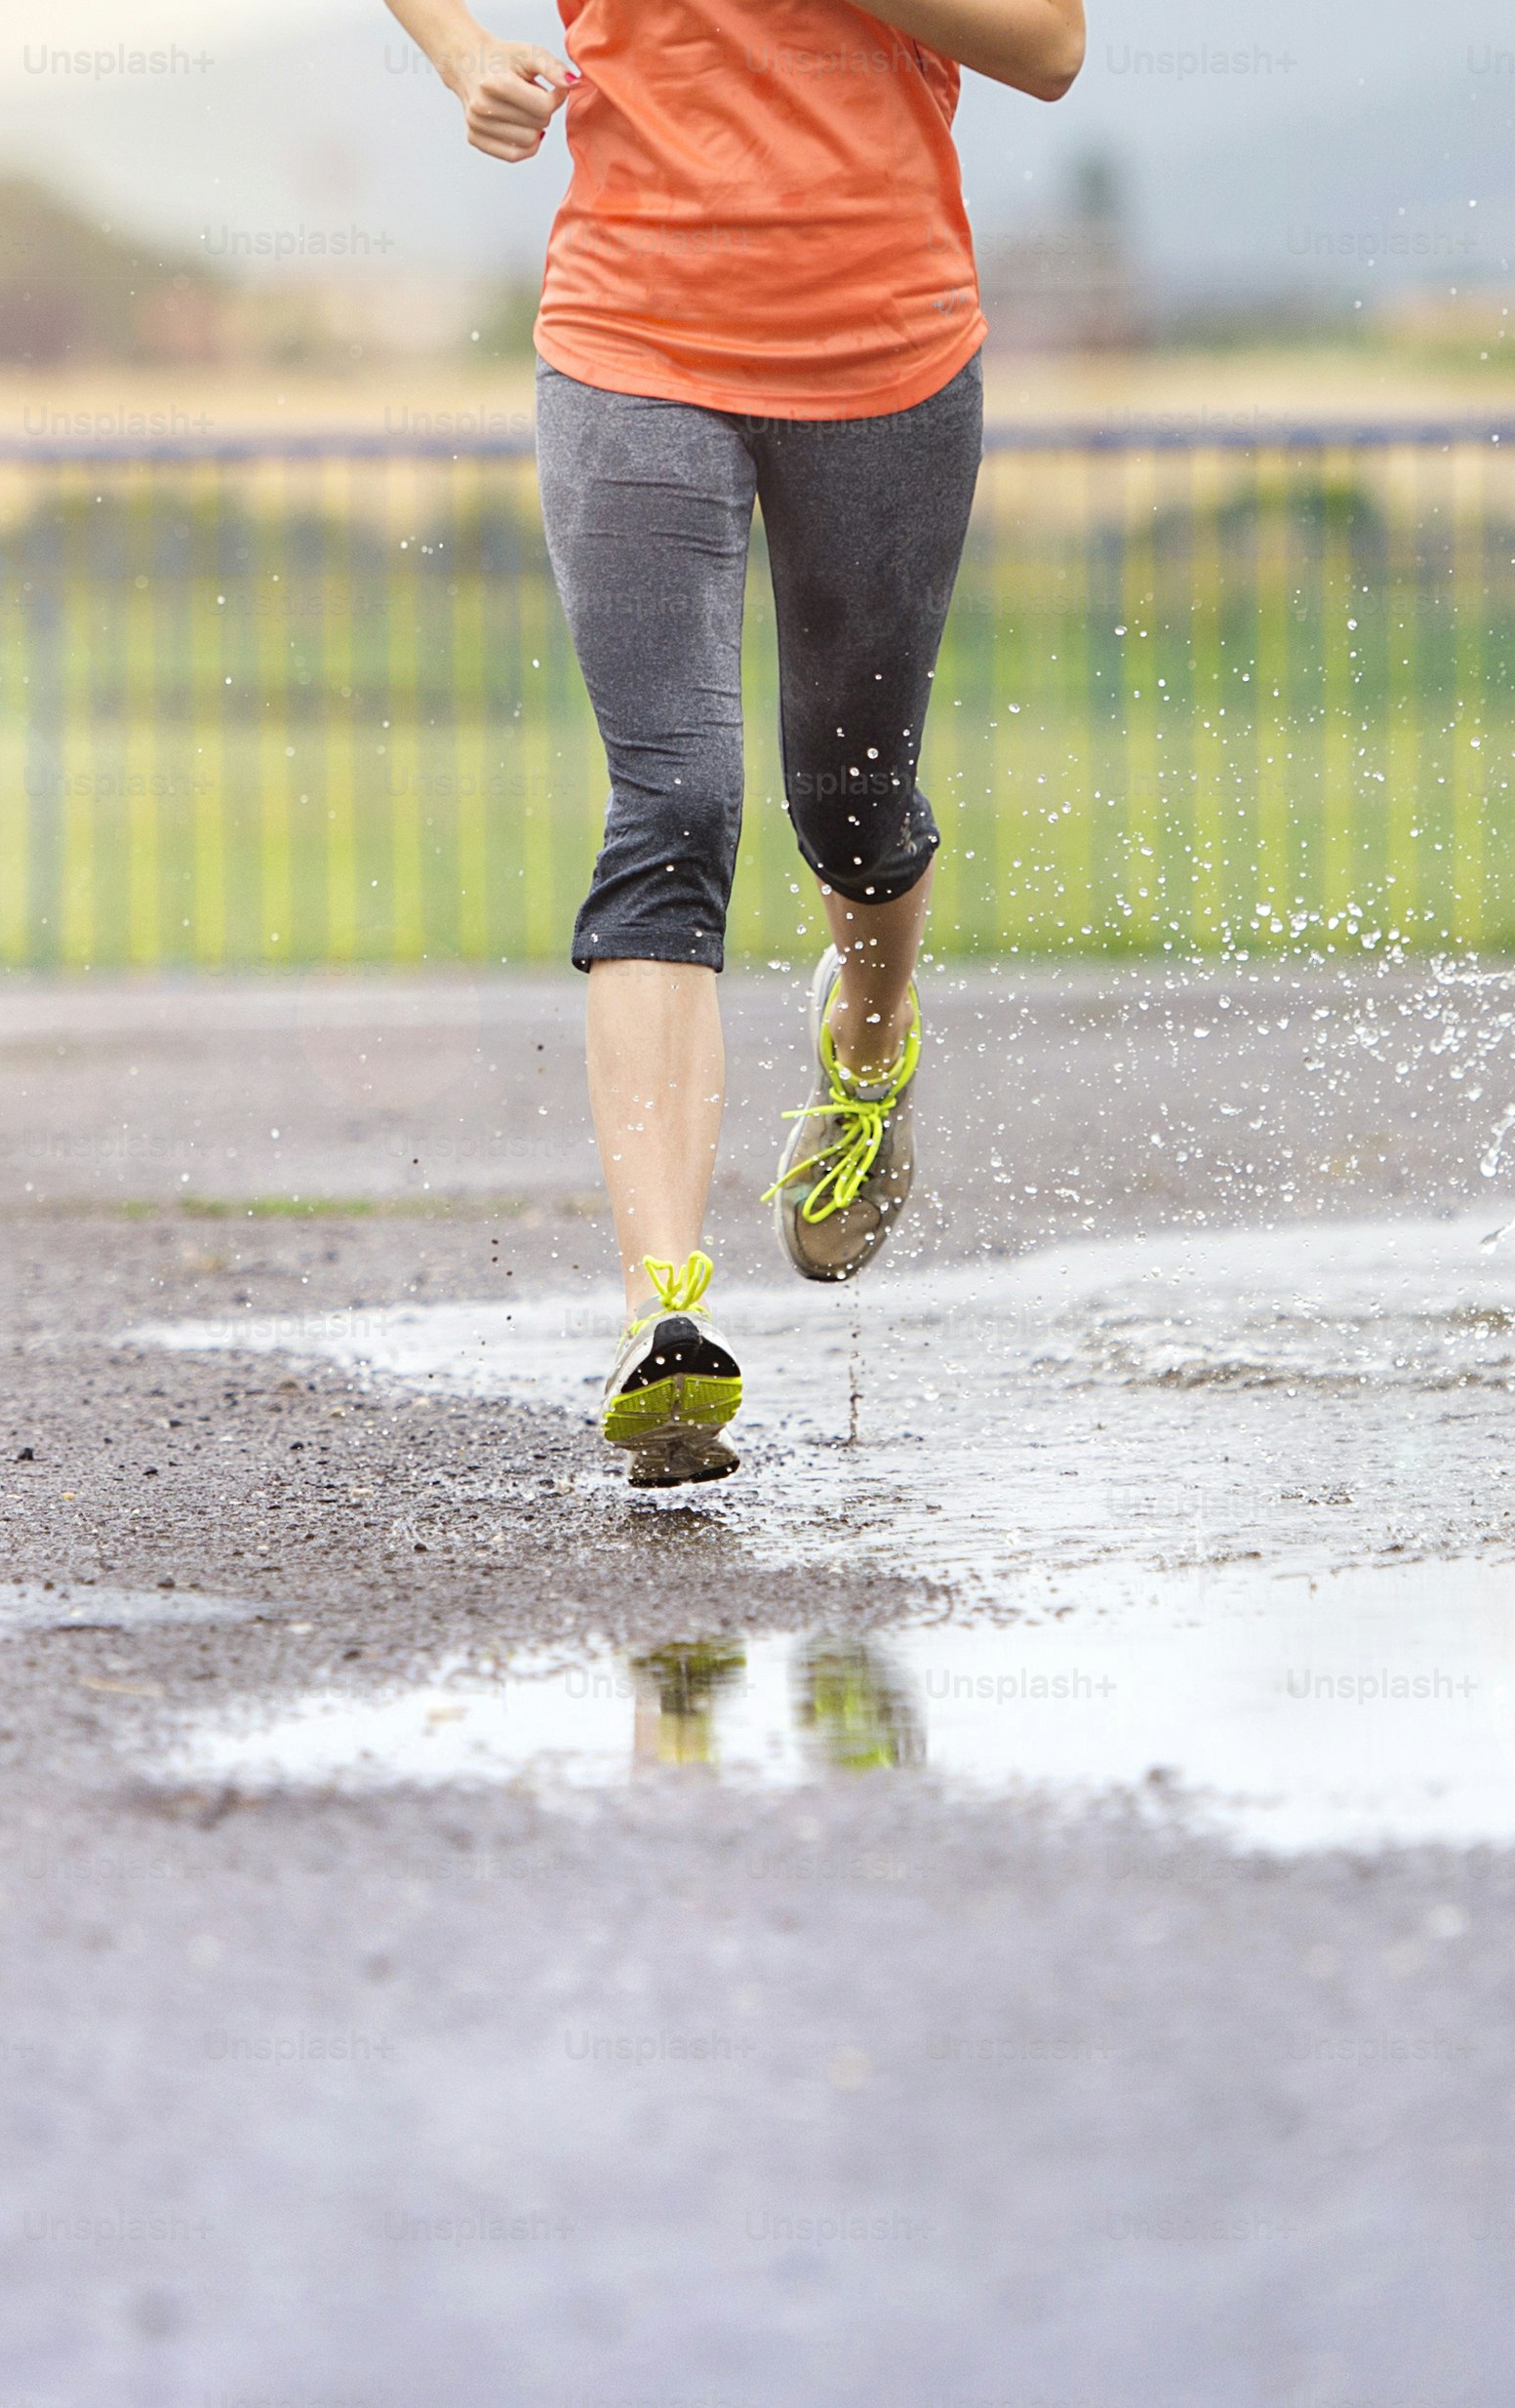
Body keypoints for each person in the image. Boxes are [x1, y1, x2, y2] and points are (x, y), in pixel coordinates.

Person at [384, 0, 1085, 1485]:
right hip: (630, 345)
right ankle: (663, 1319)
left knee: (851, 801)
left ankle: (869, 1045)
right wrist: (457, 53)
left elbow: (1047, 45)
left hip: (884, 366)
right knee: (675, 801)